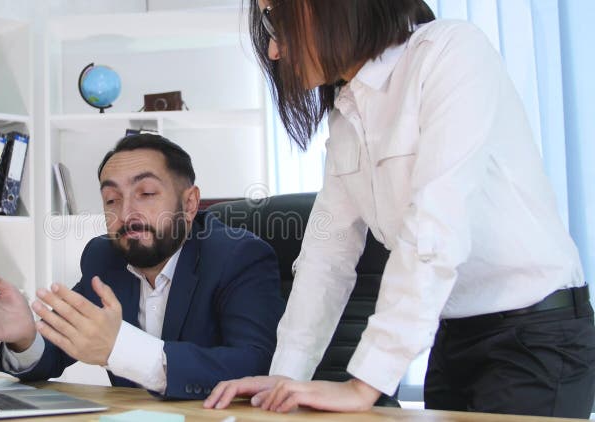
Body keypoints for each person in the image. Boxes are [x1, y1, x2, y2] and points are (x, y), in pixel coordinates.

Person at [204, 0, 595, 418]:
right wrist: (285, 377)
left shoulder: (450, 52)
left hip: (536, 335)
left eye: (276, 20)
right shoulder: (347, 115)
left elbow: (434, 226)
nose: (274, 51)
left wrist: (363, 386)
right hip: (454, 337)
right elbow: (326, 260)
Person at [0, 133, 285, 399]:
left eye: (145, 193)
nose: (127, 212)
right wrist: (24, 336)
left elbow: (256, 366)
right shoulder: (104, 258)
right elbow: (59, 348)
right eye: (111, 200)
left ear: (189, 204)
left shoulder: (239, 257)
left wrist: (122, 348)